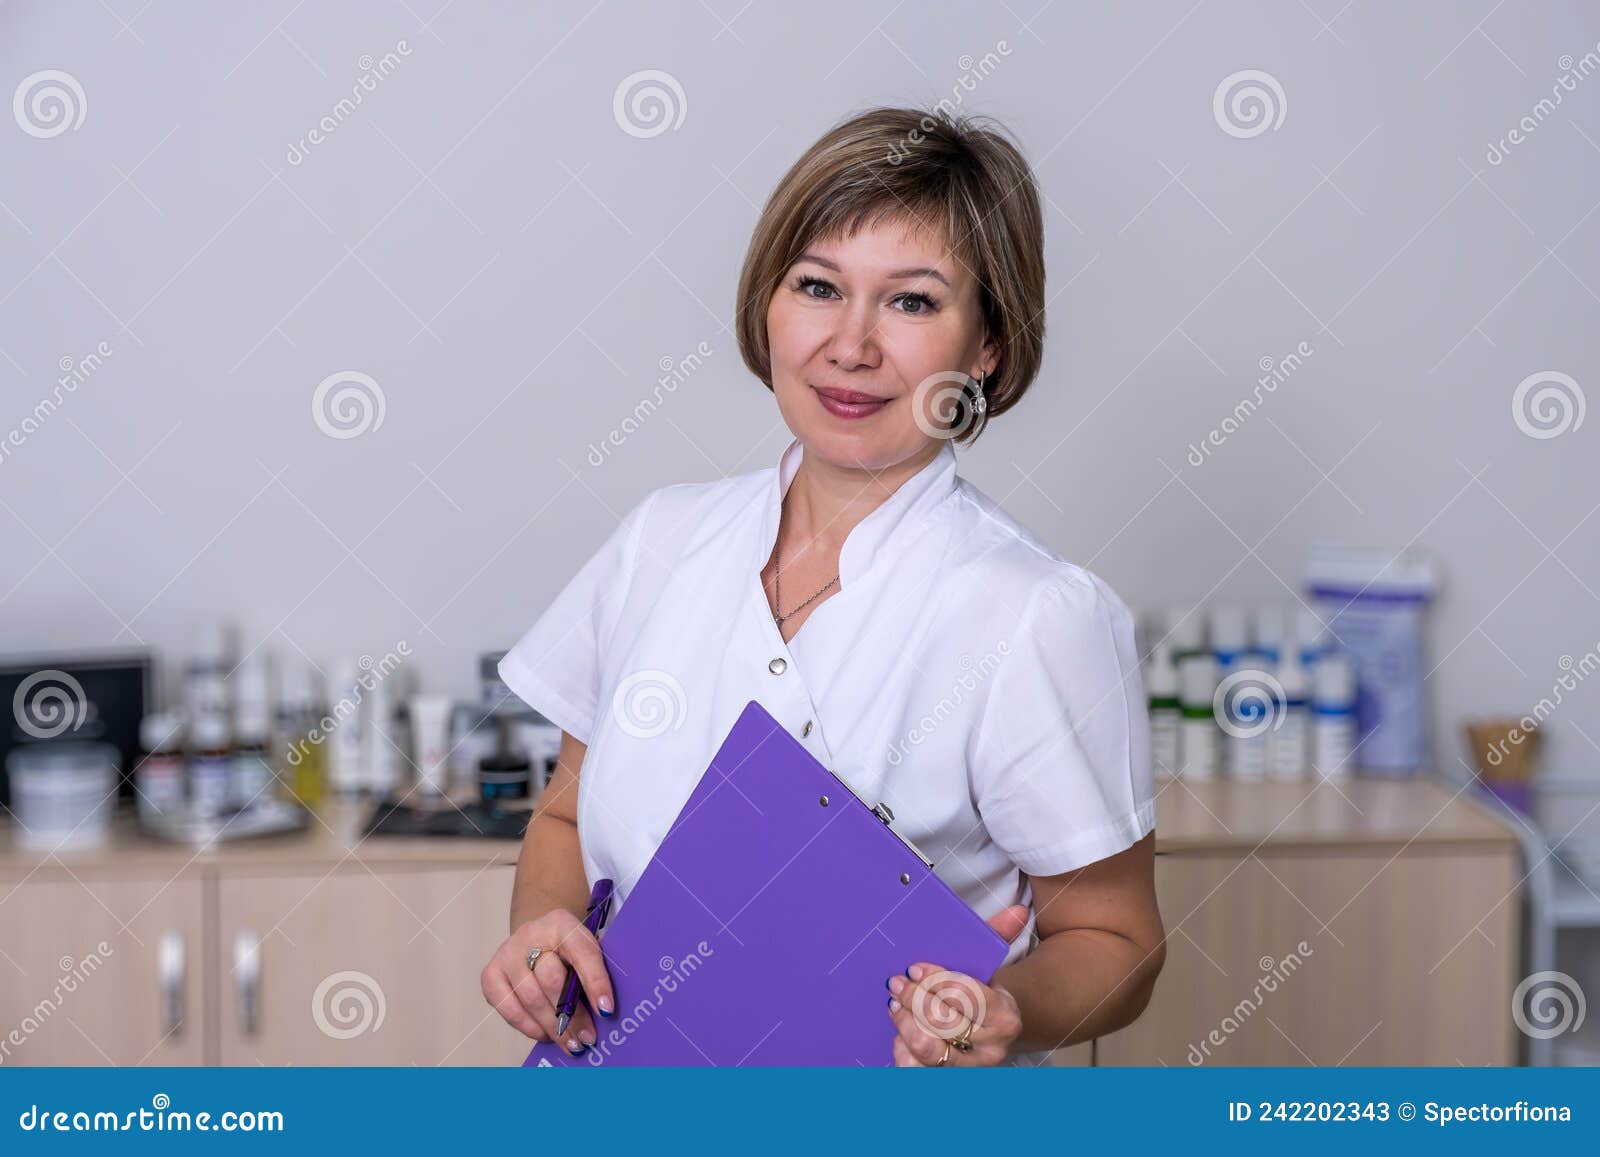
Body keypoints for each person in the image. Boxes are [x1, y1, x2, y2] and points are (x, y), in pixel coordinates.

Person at [481, 106, 1164, 1067]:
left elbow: (1121, 943)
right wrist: (544, 930)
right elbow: (564, 809)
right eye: (817, 286)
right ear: (770, 305)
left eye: (913, 302)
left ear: (988, 347)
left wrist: (1005, 1010)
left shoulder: (1034, 612)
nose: (851, 344)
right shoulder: (661, 540)